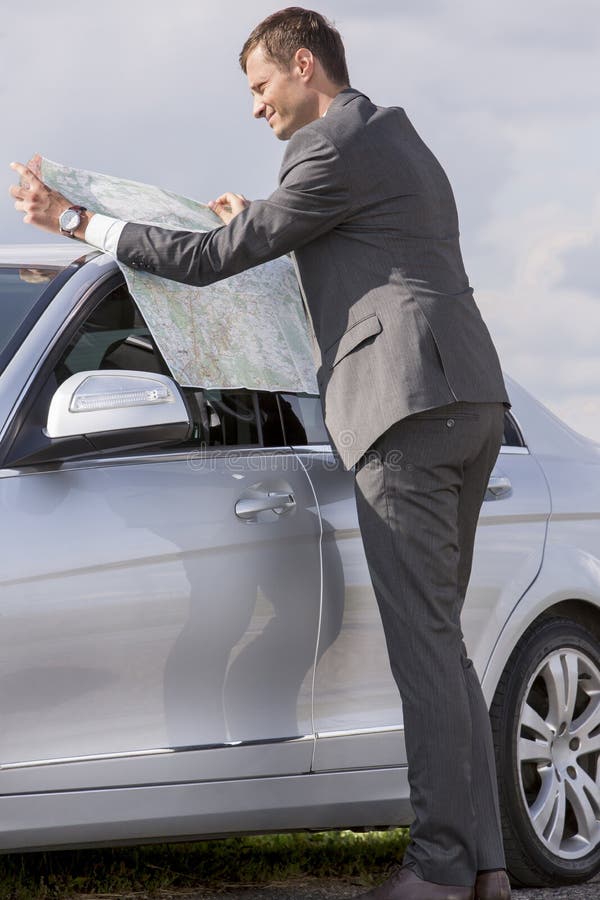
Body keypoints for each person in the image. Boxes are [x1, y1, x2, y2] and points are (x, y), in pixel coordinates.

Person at [9, 8, 512, 899]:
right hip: (465, 399)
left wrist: (80, 221)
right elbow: (348, 246)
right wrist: (264, 217)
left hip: (401, 411)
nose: (255, 108)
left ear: (304, 64)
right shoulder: (390, 137)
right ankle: (484, 866)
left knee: (425, 649)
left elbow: (210, 263)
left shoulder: (328, 149)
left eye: (260, 86)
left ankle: (438, 869)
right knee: (444, 646)